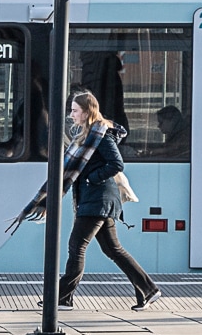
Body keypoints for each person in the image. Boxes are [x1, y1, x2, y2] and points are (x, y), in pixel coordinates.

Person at [57, 90, 161, 312]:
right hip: (96, 199)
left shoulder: (101, 135)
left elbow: (116, 163)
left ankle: (62, 298)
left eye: (75, 110)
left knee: (77, 246)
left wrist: (92, 179)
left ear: (87, 112)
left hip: (98, 199)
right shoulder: (86, 135)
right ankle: (148, 289)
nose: (71, 115)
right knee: (113, 249)